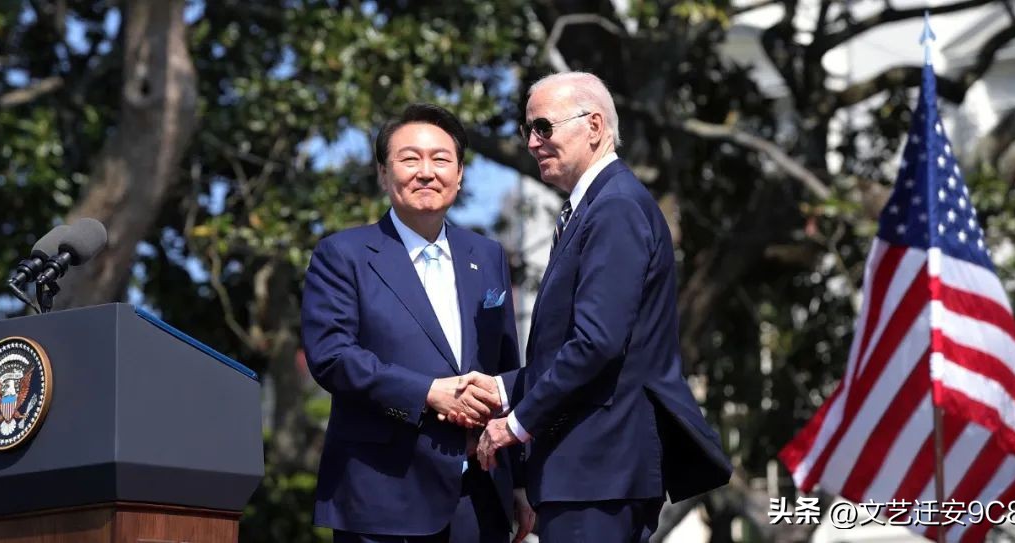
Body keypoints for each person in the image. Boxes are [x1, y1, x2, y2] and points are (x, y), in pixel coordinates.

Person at [474, 72, 734, 542]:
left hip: (598, 469)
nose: (532, 142)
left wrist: (514, 424)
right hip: (587, 472)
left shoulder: (614, 206)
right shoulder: (592, 207)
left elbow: (597, 343)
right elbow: (581, 346)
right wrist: (500, 387)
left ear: (594, 126)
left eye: (544, 127)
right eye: (527, 130)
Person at [301, 103, 534, 543]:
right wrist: (427, 393)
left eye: (441, 159)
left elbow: (507, 367)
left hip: (480, 495)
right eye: (410, 159)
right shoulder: (343, 255)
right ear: (384, 175)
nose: (426, 171)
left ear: (460, 174)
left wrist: (520, 480)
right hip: (382, 496)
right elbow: (332, 357)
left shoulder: (486, 256)